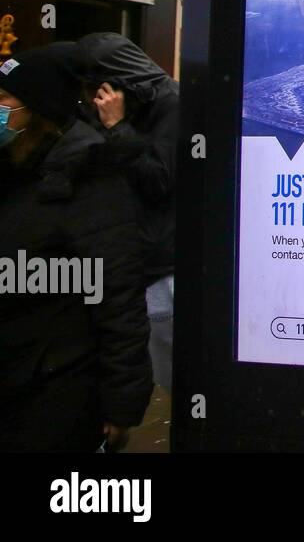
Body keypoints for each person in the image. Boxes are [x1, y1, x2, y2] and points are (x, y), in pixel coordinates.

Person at [0, 46, 153, 451]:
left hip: (56, 390)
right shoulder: (11, 174)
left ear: (37, 110)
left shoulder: (91, 182)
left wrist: (122, 405)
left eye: (3, 99)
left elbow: (119, 298)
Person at [73, 33, 180, 394]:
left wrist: (118, 127)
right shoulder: (129, 107)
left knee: (169, 374)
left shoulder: (171, 104)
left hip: (161, 266)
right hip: (130, 258)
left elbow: (157, 180)